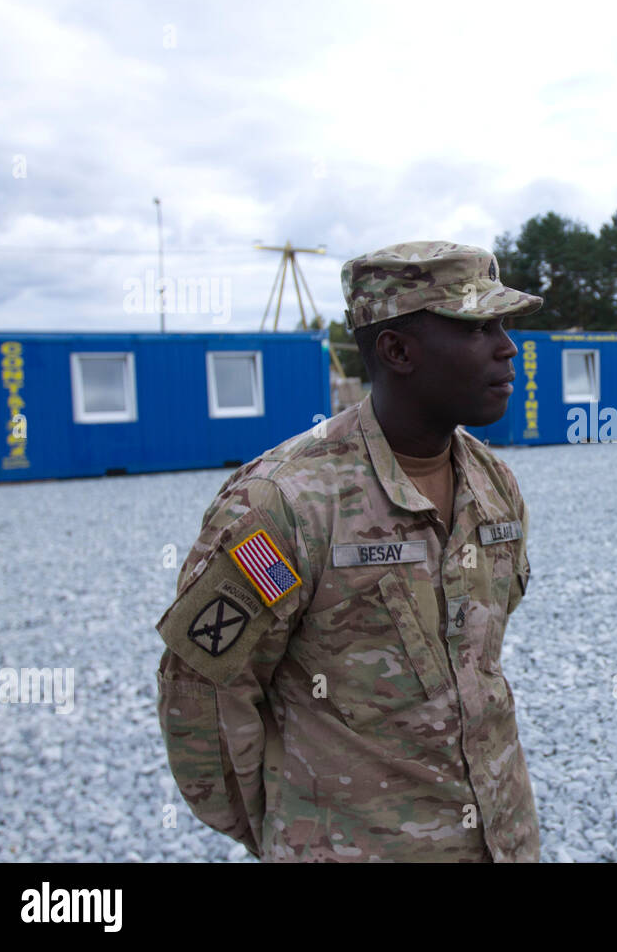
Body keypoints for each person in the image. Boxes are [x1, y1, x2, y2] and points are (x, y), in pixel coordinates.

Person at [156, 241, 542, 861]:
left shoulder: (494, 484)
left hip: (503, 839)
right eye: (478, 328)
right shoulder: (284, 503)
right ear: (397, 351)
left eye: (504, 325)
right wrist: (293, 830)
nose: (507, 348)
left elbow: (477, 650)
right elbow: (202, 695)